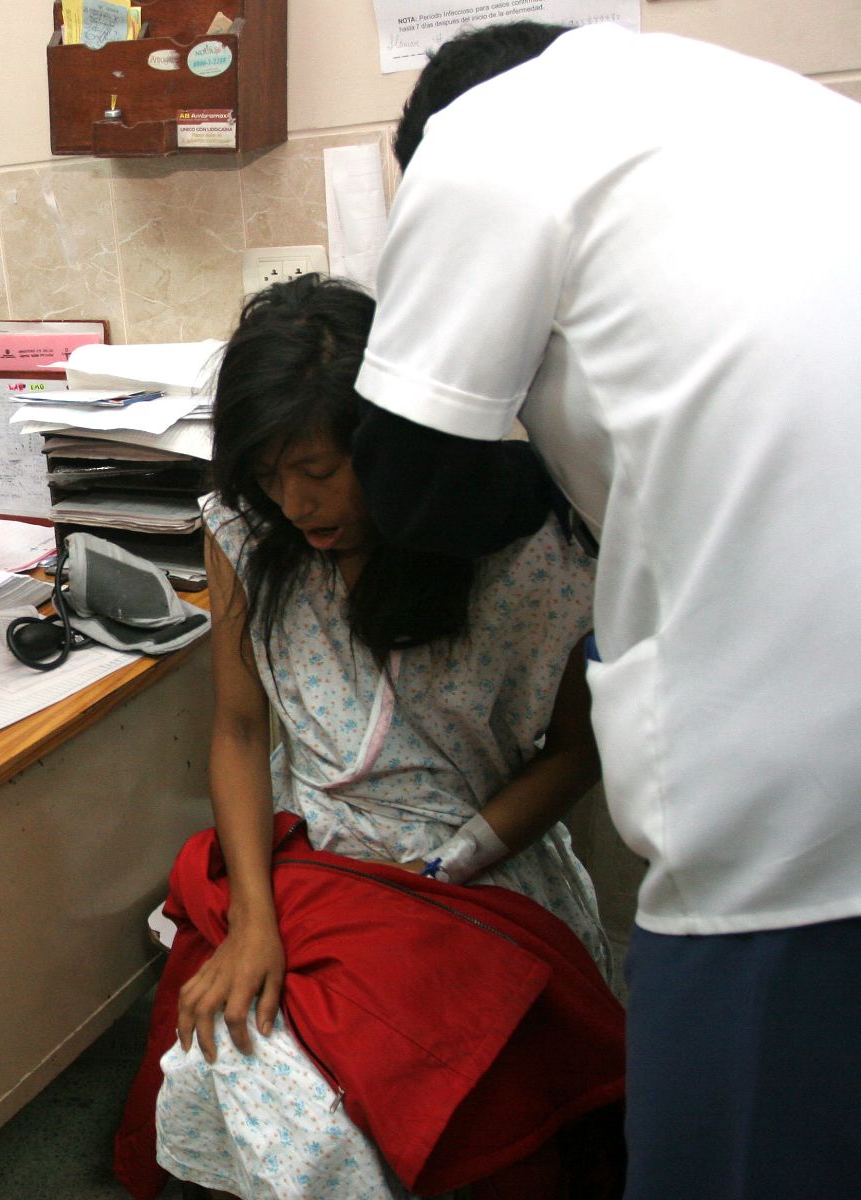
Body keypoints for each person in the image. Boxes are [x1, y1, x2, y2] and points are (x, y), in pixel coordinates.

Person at [346, 22, 861, 1195]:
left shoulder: (478, 139)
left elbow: (414, 487)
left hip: (798, 758)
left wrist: (535, 445)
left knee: (736, 1145)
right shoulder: (770, 103)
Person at [114, 276, 620, 1200]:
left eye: (318, 471)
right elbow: (239, 728)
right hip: (308, 861)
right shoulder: (245, 532)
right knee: (246, 1060)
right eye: (271, 476)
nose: (295, 504)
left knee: (452, 1105)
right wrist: (254, 922)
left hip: (473, 865)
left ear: (392, 445)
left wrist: (454, 862)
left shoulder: (534, 553)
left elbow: (577, 755)